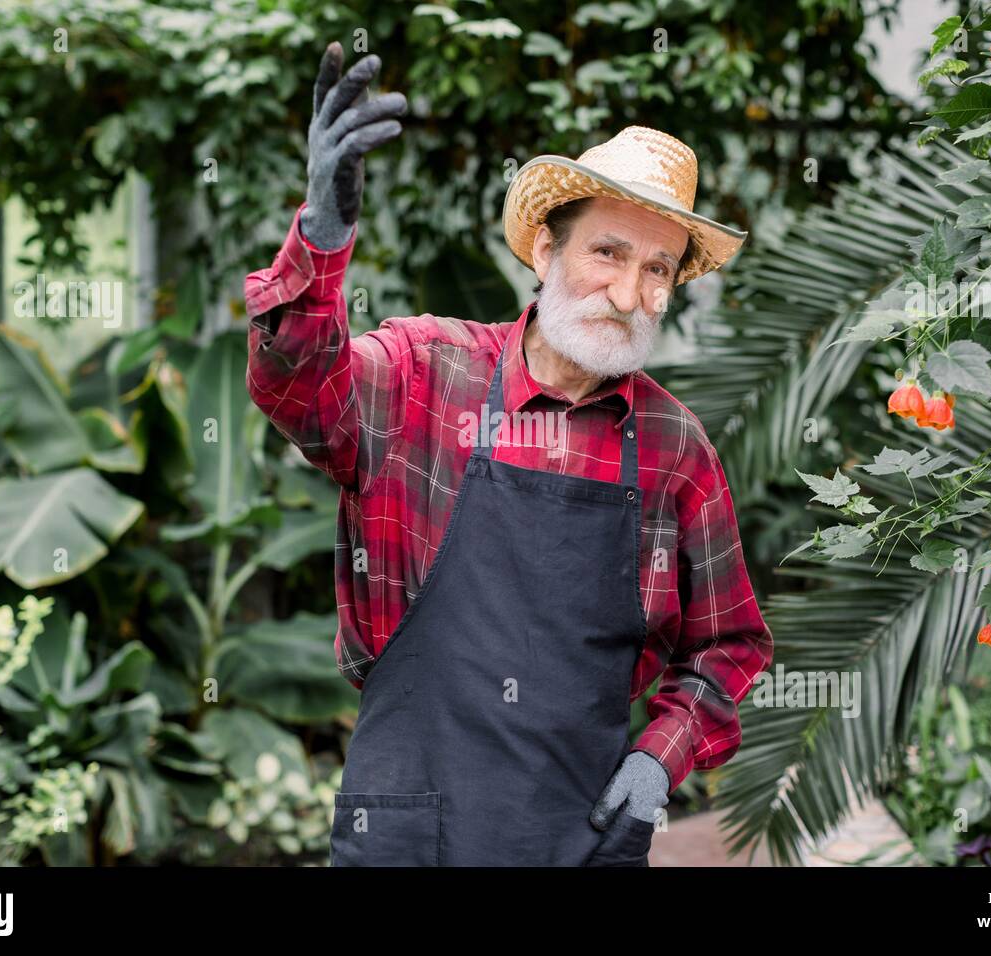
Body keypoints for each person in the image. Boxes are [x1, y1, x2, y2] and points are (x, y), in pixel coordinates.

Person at [244, 40, 773, 867]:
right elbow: (299, 391)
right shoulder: (424, 372)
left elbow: (728, 646)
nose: (631, 295)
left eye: (658, 269)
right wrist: (322, 234)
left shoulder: (676, 449)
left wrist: (655, 764)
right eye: (608, 253)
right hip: (405, 829)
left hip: (583, 835)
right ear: (544, 252)